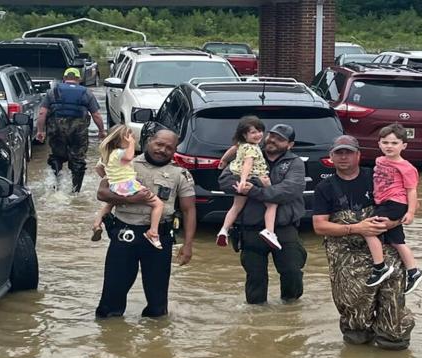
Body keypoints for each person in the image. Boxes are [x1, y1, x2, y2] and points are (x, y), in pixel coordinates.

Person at [310, 135, 414, 349]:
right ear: (331, 157)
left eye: (348, 152)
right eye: (339, 153)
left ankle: (392, 344)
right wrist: (356, 228)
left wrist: (391, 223)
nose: (344, 157)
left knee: (393, 305)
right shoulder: (324, 188)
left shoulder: (377, 175)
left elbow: (409, 200)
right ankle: (357, 350)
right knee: (355, 311)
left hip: (385, 248)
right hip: (346, 252)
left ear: (359, 155)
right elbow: (319, 226)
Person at [92, 127, 196, 320]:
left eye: (169, 147)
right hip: (125, 233)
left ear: (175, 151)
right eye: (159, 144)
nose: (162, 150)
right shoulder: (127, 162)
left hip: (159, 239)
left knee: (157, 304)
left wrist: (188, 245)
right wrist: (131, 199)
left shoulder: (180, 174)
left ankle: (155, 342)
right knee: (112, 295)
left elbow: (189, 210)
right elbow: (102, 193)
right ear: (149, 141)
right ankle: (110, 340)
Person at [219, 123, 306, 305]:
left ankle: (291, 312)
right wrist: (257, 183)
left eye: (280, 139)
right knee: (255, 278)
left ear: (290, 145)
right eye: (271, 135)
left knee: (292, 272)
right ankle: (256, 321)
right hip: (250, 228)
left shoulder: (295, 163)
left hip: (284, 228)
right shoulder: (248, 152)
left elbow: (289, 191)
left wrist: (252, 190)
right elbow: (225, 181)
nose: (272, 140)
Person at [365, 125, 422, 293]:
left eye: (394, 143)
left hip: (396, 203)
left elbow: (411, 190)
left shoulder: (407, 167)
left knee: (368, 230)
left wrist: (411, 212)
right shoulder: (379, 161)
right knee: (397, 241)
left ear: (403, 146)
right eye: (385, 142)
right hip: (383, 203)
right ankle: (414, 271)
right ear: (379, 144)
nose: (389, 146)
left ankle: (380, 268)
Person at [92, 124, 165, 249]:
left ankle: (96, 224)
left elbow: (98, 168)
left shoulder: (107, 155)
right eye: (131, 138)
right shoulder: (120, 153)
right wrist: (131, 144)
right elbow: (129, 157)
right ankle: (153, 232)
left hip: (115, 186)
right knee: (158, 204)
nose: (134, 140)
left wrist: (107, 177)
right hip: (127, 186)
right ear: (123, 140)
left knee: (109, 204)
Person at [213, 116, 281, 251]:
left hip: (236, 176)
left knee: (236, 207)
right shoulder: (253, 149)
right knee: (272, 203)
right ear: (244, 135)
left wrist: (223, 161)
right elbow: (247, 164)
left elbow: (232, 150)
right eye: (253, 132)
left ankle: (224, 230)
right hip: (255, 177)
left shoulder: (241, 144)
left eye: (260, 131)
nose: (258, 135)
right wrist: (244, 181)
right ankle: (269, 231)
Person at [33, 67, 105, 192]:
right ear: (79, 79)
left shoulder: (53, 92)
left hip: (56, 130)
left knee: (56, 156)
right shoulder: (86, 92)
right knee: (78, 159)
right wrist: (101, 131)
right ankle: (75, 192)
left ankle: (56, 187)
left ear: (65, 78)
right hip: (78, 132)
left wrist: (40, 131)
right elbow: (96, 115)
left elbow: (42, 113)